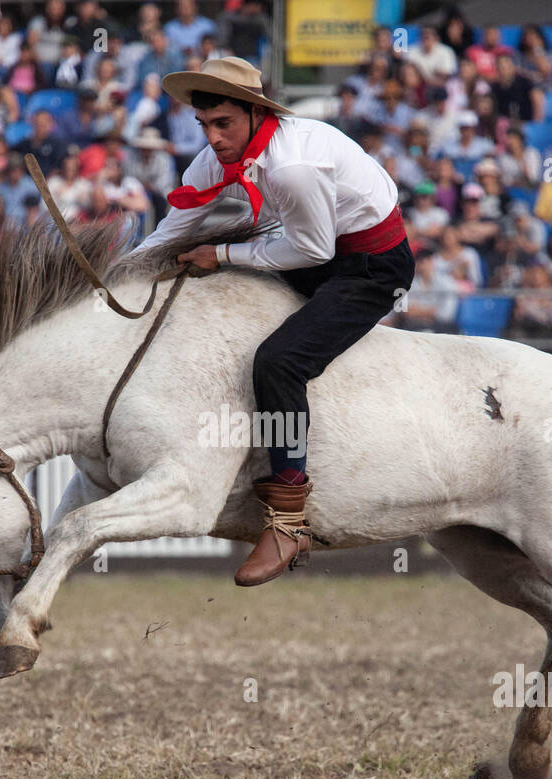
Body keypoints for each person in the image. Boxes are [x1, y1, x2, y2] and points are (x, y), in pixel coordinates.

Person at [128, 56, 414, 587]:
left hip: (369, 268)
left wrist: (224, 256)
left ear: (257, 114)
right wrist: (110, 276)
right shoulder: (223, 158)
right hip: (318, 249)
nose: (213, 138)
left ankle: (288, 519)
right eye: (205, 126)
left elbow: (311, 248)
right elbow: (171, 233)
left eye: (224, 125)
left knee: (278, 361)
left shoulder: (292, 166)